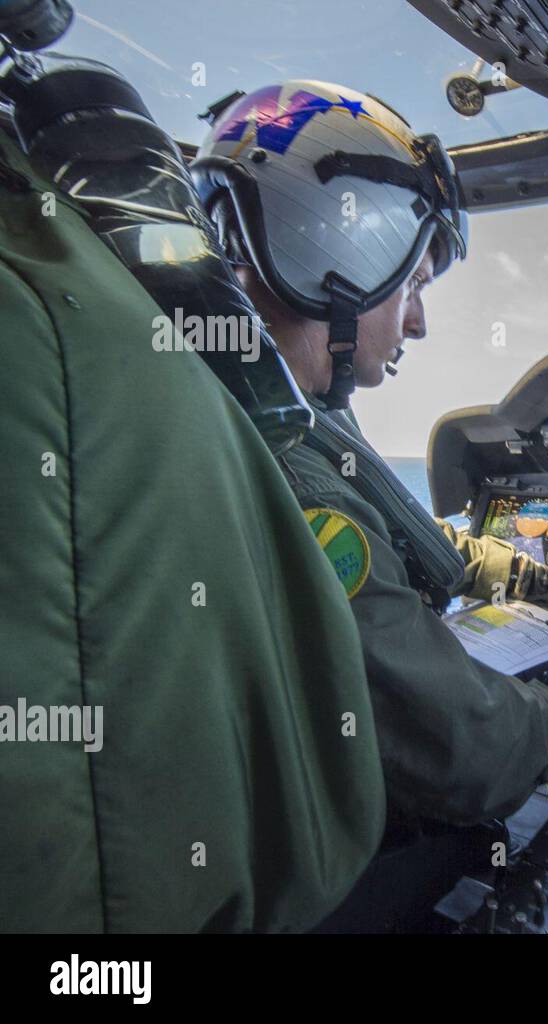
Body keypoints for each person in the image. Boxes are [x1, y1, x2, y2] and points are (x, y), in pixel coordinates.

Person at [191, 81, 548, 838]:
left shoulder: (285, 413)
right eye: (416, 284)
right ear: (337, 256)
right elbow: (472, 751)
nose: (420, 323)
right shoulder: (290, 476)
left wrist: (537, 577)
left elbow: (410, 543)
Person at [0, 121, 386, 932]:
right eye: (412, 282)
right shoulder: (279, 445)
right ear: (345, 271)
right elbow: (447, 737)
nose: (415, 322)